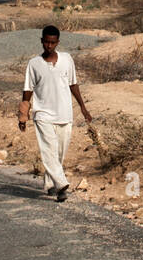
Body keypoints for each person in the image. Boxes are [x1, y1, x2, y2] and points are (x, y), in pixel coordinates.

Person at [19, 25, 92, 202]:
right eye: (46, 42)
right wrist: (23, 114)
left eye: (52, 42)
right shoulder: (34, 64)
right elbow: (27, 90)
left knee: (59, 153)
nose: (49, 46)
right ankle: (61, 184)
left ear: (57, 42)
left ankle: (50, 184)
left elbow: (73, 84)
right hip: (43, 114)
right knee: (48, 150)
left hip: (65, 114)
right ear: (41, 41)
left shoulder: (67, 60)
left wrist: (82, 107)